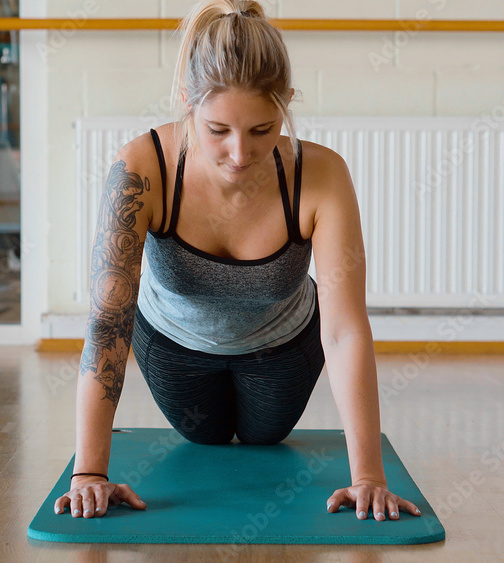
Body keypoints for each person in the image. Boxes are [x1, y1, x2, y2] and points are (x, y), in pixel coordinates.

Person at [54, 0, 422, 523]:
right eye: (218, 129)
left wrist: (368, 477)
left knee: (261, 438)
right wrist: (89, 472)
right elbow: (109, 321)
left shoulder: (320, 175)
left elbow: (343, 331)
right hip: (174, 341)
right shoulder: (141, 167)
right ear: (187, 102)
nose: (239, 153)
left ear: (287, 104)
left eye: (261, 130)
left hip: (282, 346)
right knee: (204, 436)